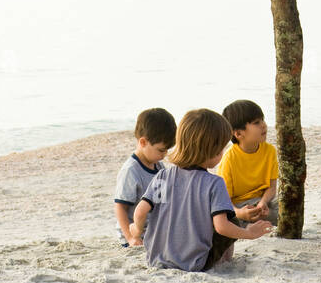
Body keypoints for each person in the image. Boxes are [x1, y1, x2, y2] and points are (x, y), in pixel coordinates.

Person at [131, 108, 272, 271]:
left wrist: (136, 231)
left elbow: (140, 212)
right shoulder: (214, 183)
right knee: (230, 218)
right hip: (195, 264)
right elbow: (222, 227)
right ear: (212, 151)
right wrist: (249, 232)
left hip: (155, 260)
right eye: (221, 148)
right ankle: (225, 260)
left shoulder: (162, 176)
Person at [113, 107, 176, 247]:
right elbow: (120, 207)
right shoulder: (131, 170)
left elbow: (162, 202)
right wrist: (130, 238)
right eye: (161, 150)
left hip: (154, 230)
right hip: (135, 233)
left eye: (167, 150)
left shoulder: (159, 167)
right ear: (143, 142)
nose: (164, 154)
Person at [217, 100, 279, 228]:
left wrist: (263, 202)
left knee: (289, 206)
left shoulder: (270, 151)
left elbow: (272, 187)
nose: (264, 125)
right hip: (240, 205)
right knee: (232, 219)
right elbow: (223, 201)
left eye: (263, 120)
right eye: (257, 123)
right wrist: (240, 213)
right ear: (239, 133)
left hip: (264, 200)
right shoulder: (229, 159)